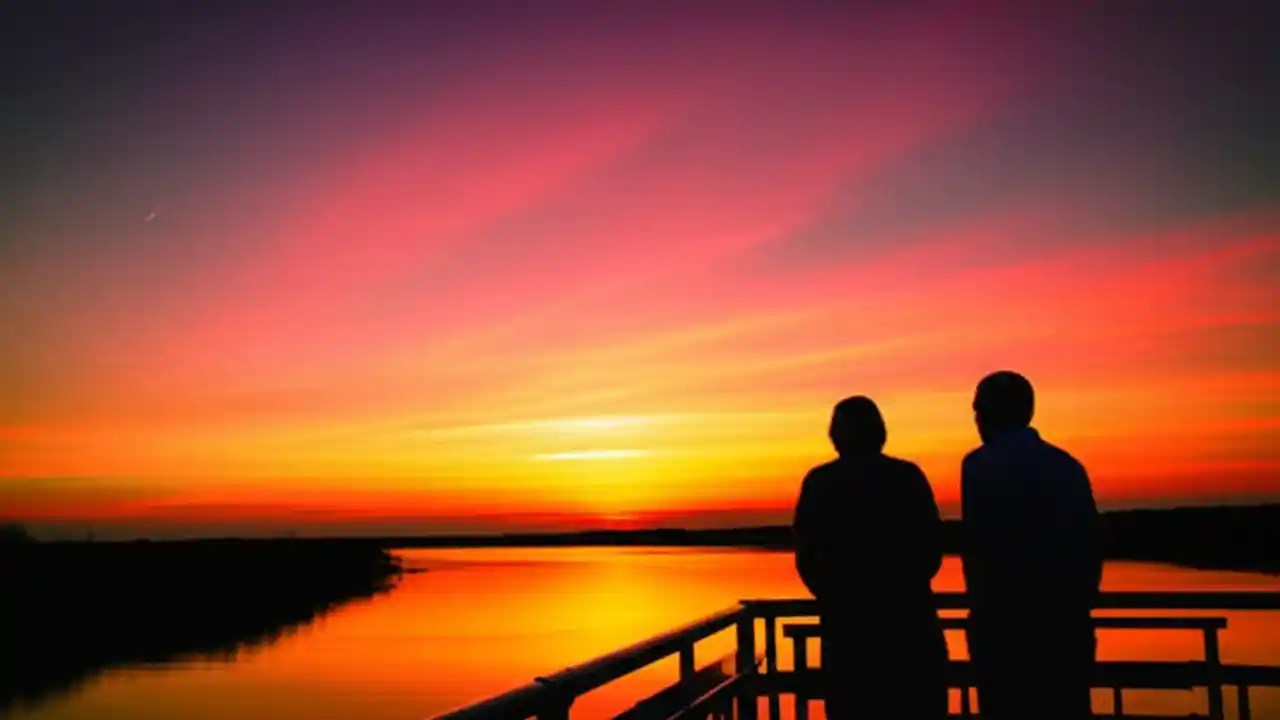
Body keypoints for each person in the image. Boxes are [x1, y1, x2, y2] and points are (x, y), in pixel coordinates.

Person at [792, 396, 948, 720]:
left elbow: (806, 556)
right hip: (910, 626)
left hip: (849, 633)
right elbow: (932, 548)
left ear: (836, 435)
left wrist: (833, 595)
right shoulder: (907, 477)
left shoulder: (820, 483)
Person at [961, 371, 1102, 719]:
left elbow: (978, 546)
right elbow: (1090, 542)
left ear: (989, 413)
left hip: (1003, 627)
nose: (976, 417)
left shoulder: (979, 465)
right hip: (1064, 624)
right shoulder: (1066, 466)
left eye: (978, 409)